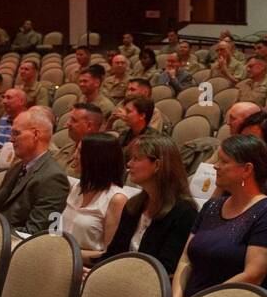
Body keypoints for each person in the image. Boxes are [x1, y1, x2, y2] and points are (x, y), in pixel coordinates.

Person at [171, 134, 267, 297]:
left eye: (224, 161)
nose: (215, 166)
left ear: (247, 170)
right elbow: (186, 259)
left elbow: (253, 275)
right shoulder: (212, 206)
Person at [103, 135, 199, 273]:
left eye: (136, 158)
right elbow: (113, 253)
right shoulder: (134, 205)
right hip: (118, 277)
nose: (129, 164)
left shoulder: (184, 212)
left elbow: (165, 268)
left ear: (157, 165)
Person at [0, 107, 71, 236]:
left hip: (13, 246)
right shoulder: (17, 167)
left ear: (36, 135)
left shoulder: (53, 178)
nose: (11, 139)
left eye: (16, 133)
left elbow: (35, 232)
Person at [61, 134, 129, 263]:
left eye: (80, 152)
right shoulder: (76, 187)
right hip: (64, 259)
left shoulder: (116, 199)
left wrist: (69, 252)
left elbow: (110, 254)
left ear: (96, 159)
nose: (74, 156)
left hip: (88, 268)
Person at [55, 102, 105, 179]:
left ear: (89, 126)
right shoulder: (67, 147)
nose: (67, 124)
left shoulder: (99, 157)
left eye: (74, 120)